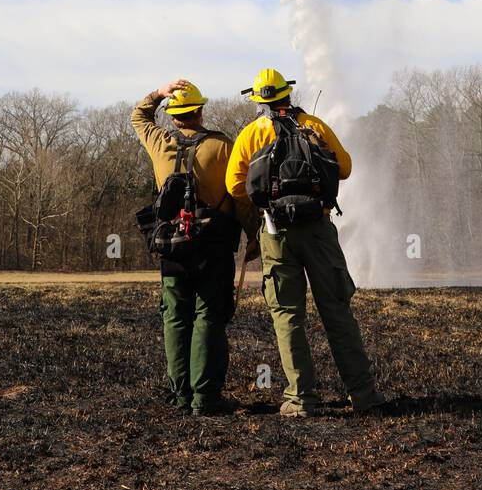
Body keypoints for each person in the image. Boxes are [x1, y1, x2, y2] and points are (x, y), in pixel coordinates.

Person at [225, 67, 386, 417]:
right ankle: (363, 394)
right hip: (318, 229)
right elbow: (344, 168)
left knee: (287, 316)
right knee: (337, 311)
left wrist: (266, 196)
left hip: (275, 233)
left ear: (256, 101)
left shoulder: (251, 134)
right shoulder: (314, 125)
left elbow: (233, 186)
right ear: (288, 94)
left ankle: (300, 399)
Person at [132, 78, 256, 416]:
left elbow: (138, 117)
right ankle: (206, 399)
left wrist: (159, 93)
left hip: (171, 248)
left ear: (173, 115)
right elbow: (240, 195)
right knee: (209, 318)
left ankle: (181, 395)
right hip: (213, 248)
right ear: (201, 111)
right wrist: (254, 235)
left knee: (175, 318)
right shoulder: (223, 146)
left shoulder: (159, 141)